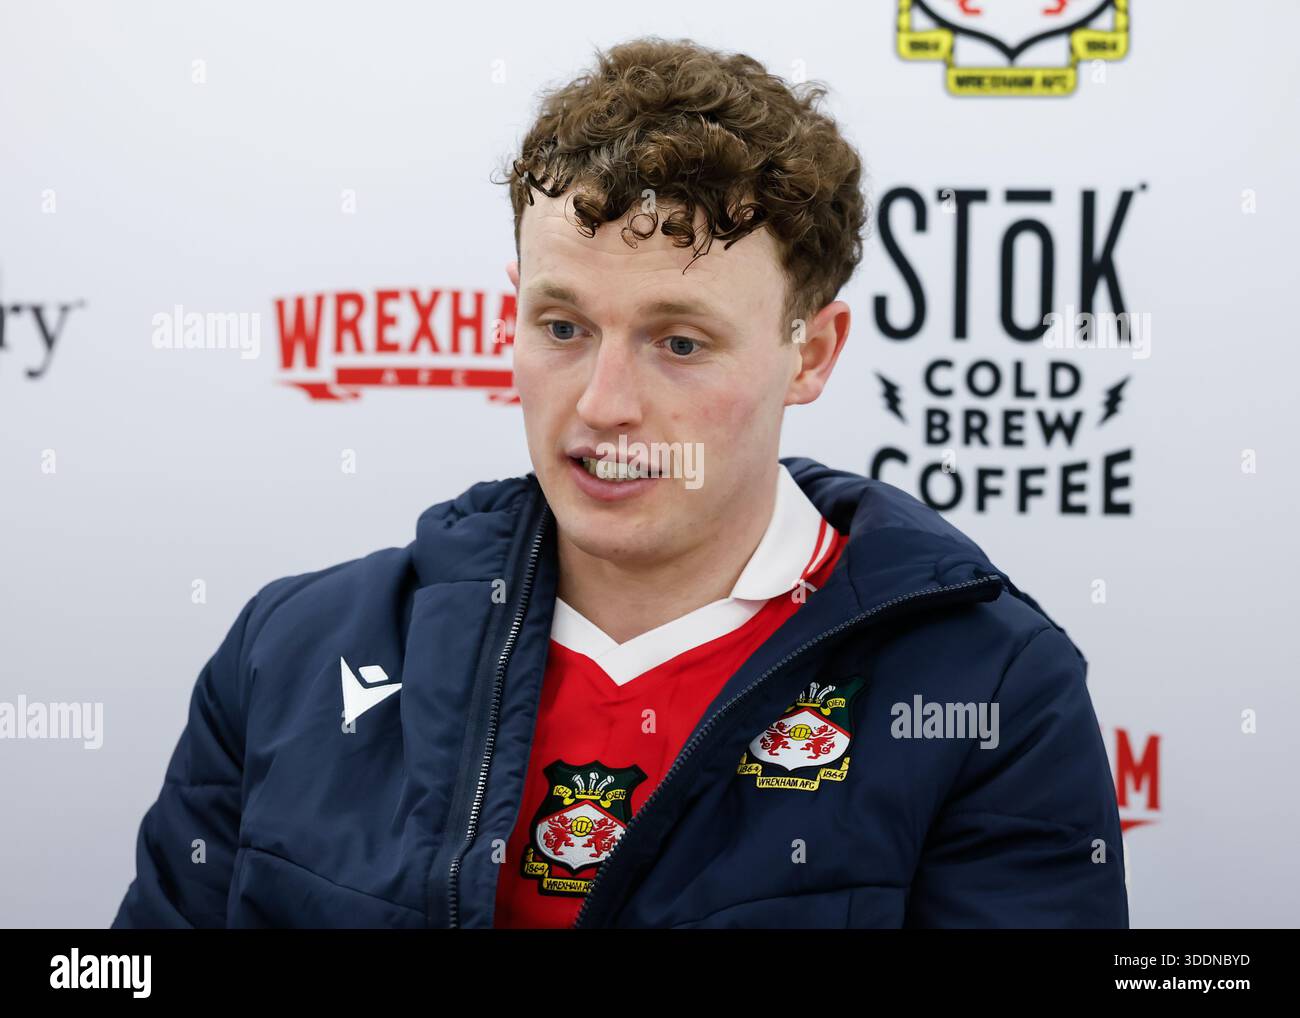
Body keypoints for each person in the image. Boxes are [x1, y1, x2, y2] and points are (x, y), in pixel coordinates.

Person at [112, 36, 1128, 929]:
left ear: (811, 353)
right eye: (562, 328)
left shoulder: (992, 693)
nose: (603, 403)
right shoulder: (291, 650)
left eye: (677, 342)